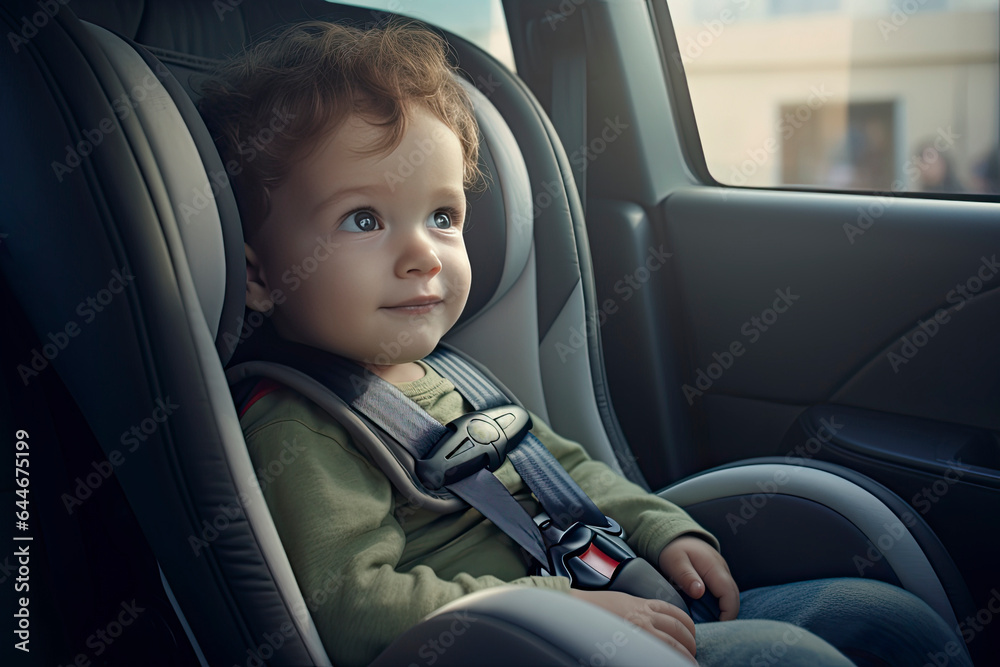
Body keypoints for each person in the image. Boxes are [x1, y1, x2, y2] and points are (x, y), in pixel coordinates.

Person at [198, 20, 972, 667]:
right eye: (364, 219)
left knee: (883, 620)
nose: (423, 254)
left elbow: (563, 467)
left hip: (610, 610)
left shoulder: (450, 374)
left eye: (442, 216)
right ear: (261, 275)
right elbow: (354, 606)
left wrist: (658, 527)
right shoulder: (295, 424)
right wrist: (566, 611)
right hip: (526, 644)